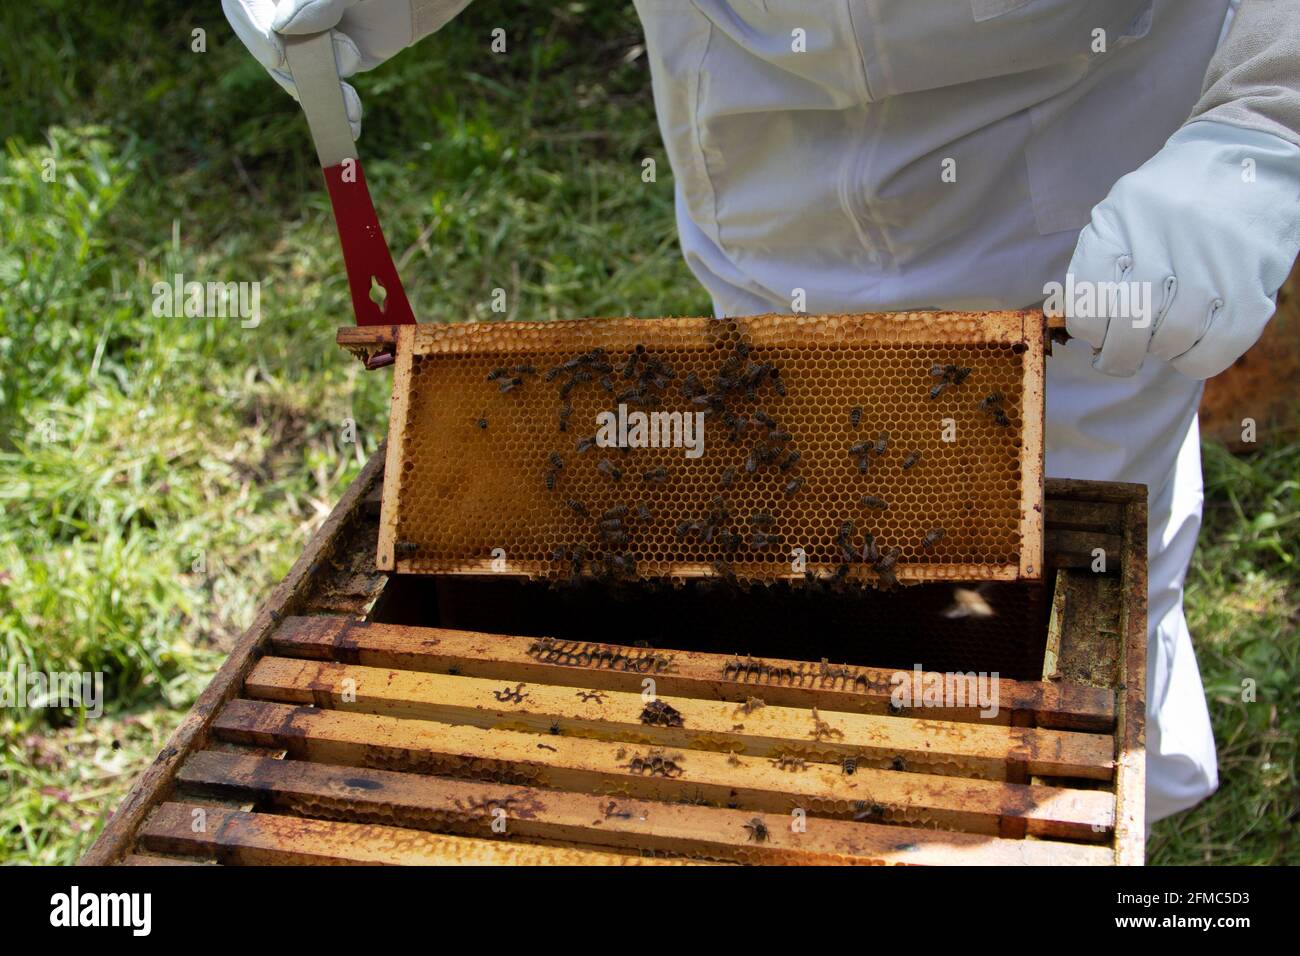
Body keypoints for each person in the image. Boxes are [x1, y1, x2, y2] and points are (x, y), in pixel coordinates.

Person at [223, 0, 1300, 823]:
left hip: (1088, 165)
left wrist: (1269, 118)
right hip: (757, 155)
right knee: (773, 534)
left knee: (1062, 577)